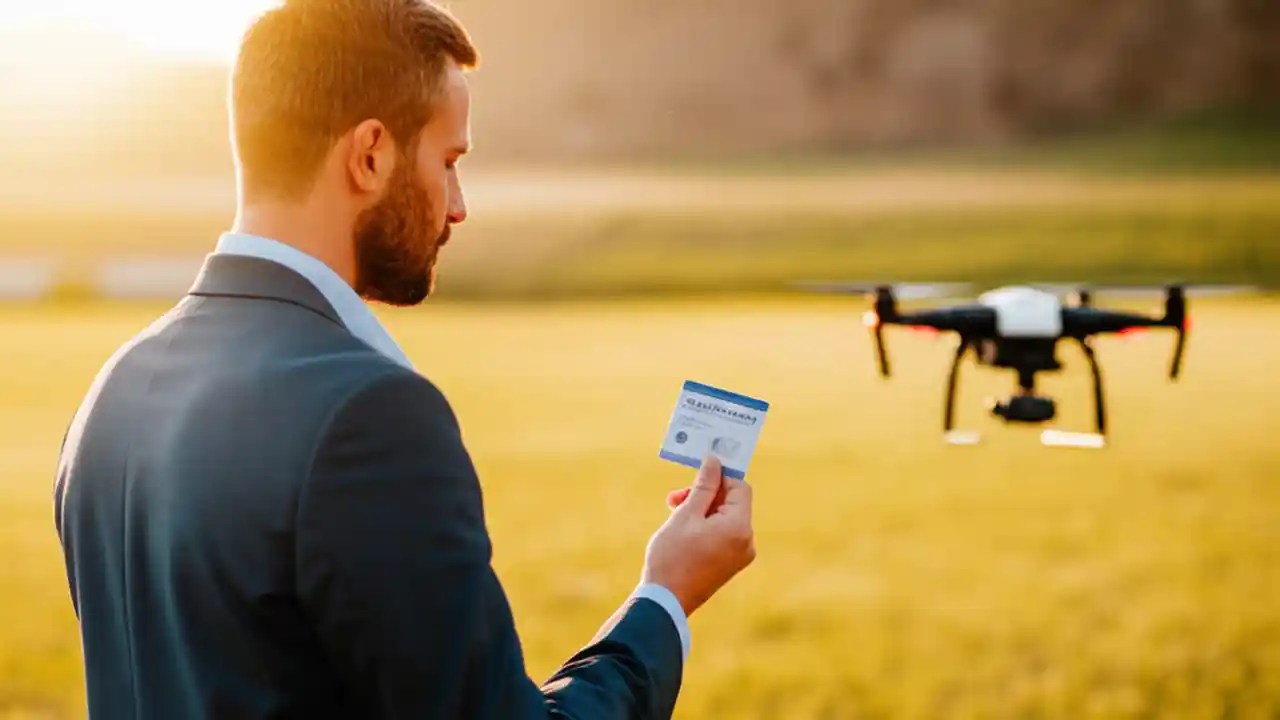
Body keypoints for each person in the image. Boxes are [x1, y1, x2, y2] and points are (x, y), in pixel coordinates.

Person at [52, 1, 756, 718]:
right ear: (370, 155)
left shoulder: (114, 391)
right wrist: (666, 595)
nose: (458, 207)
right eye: (449, 162)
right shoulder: (368, 417)